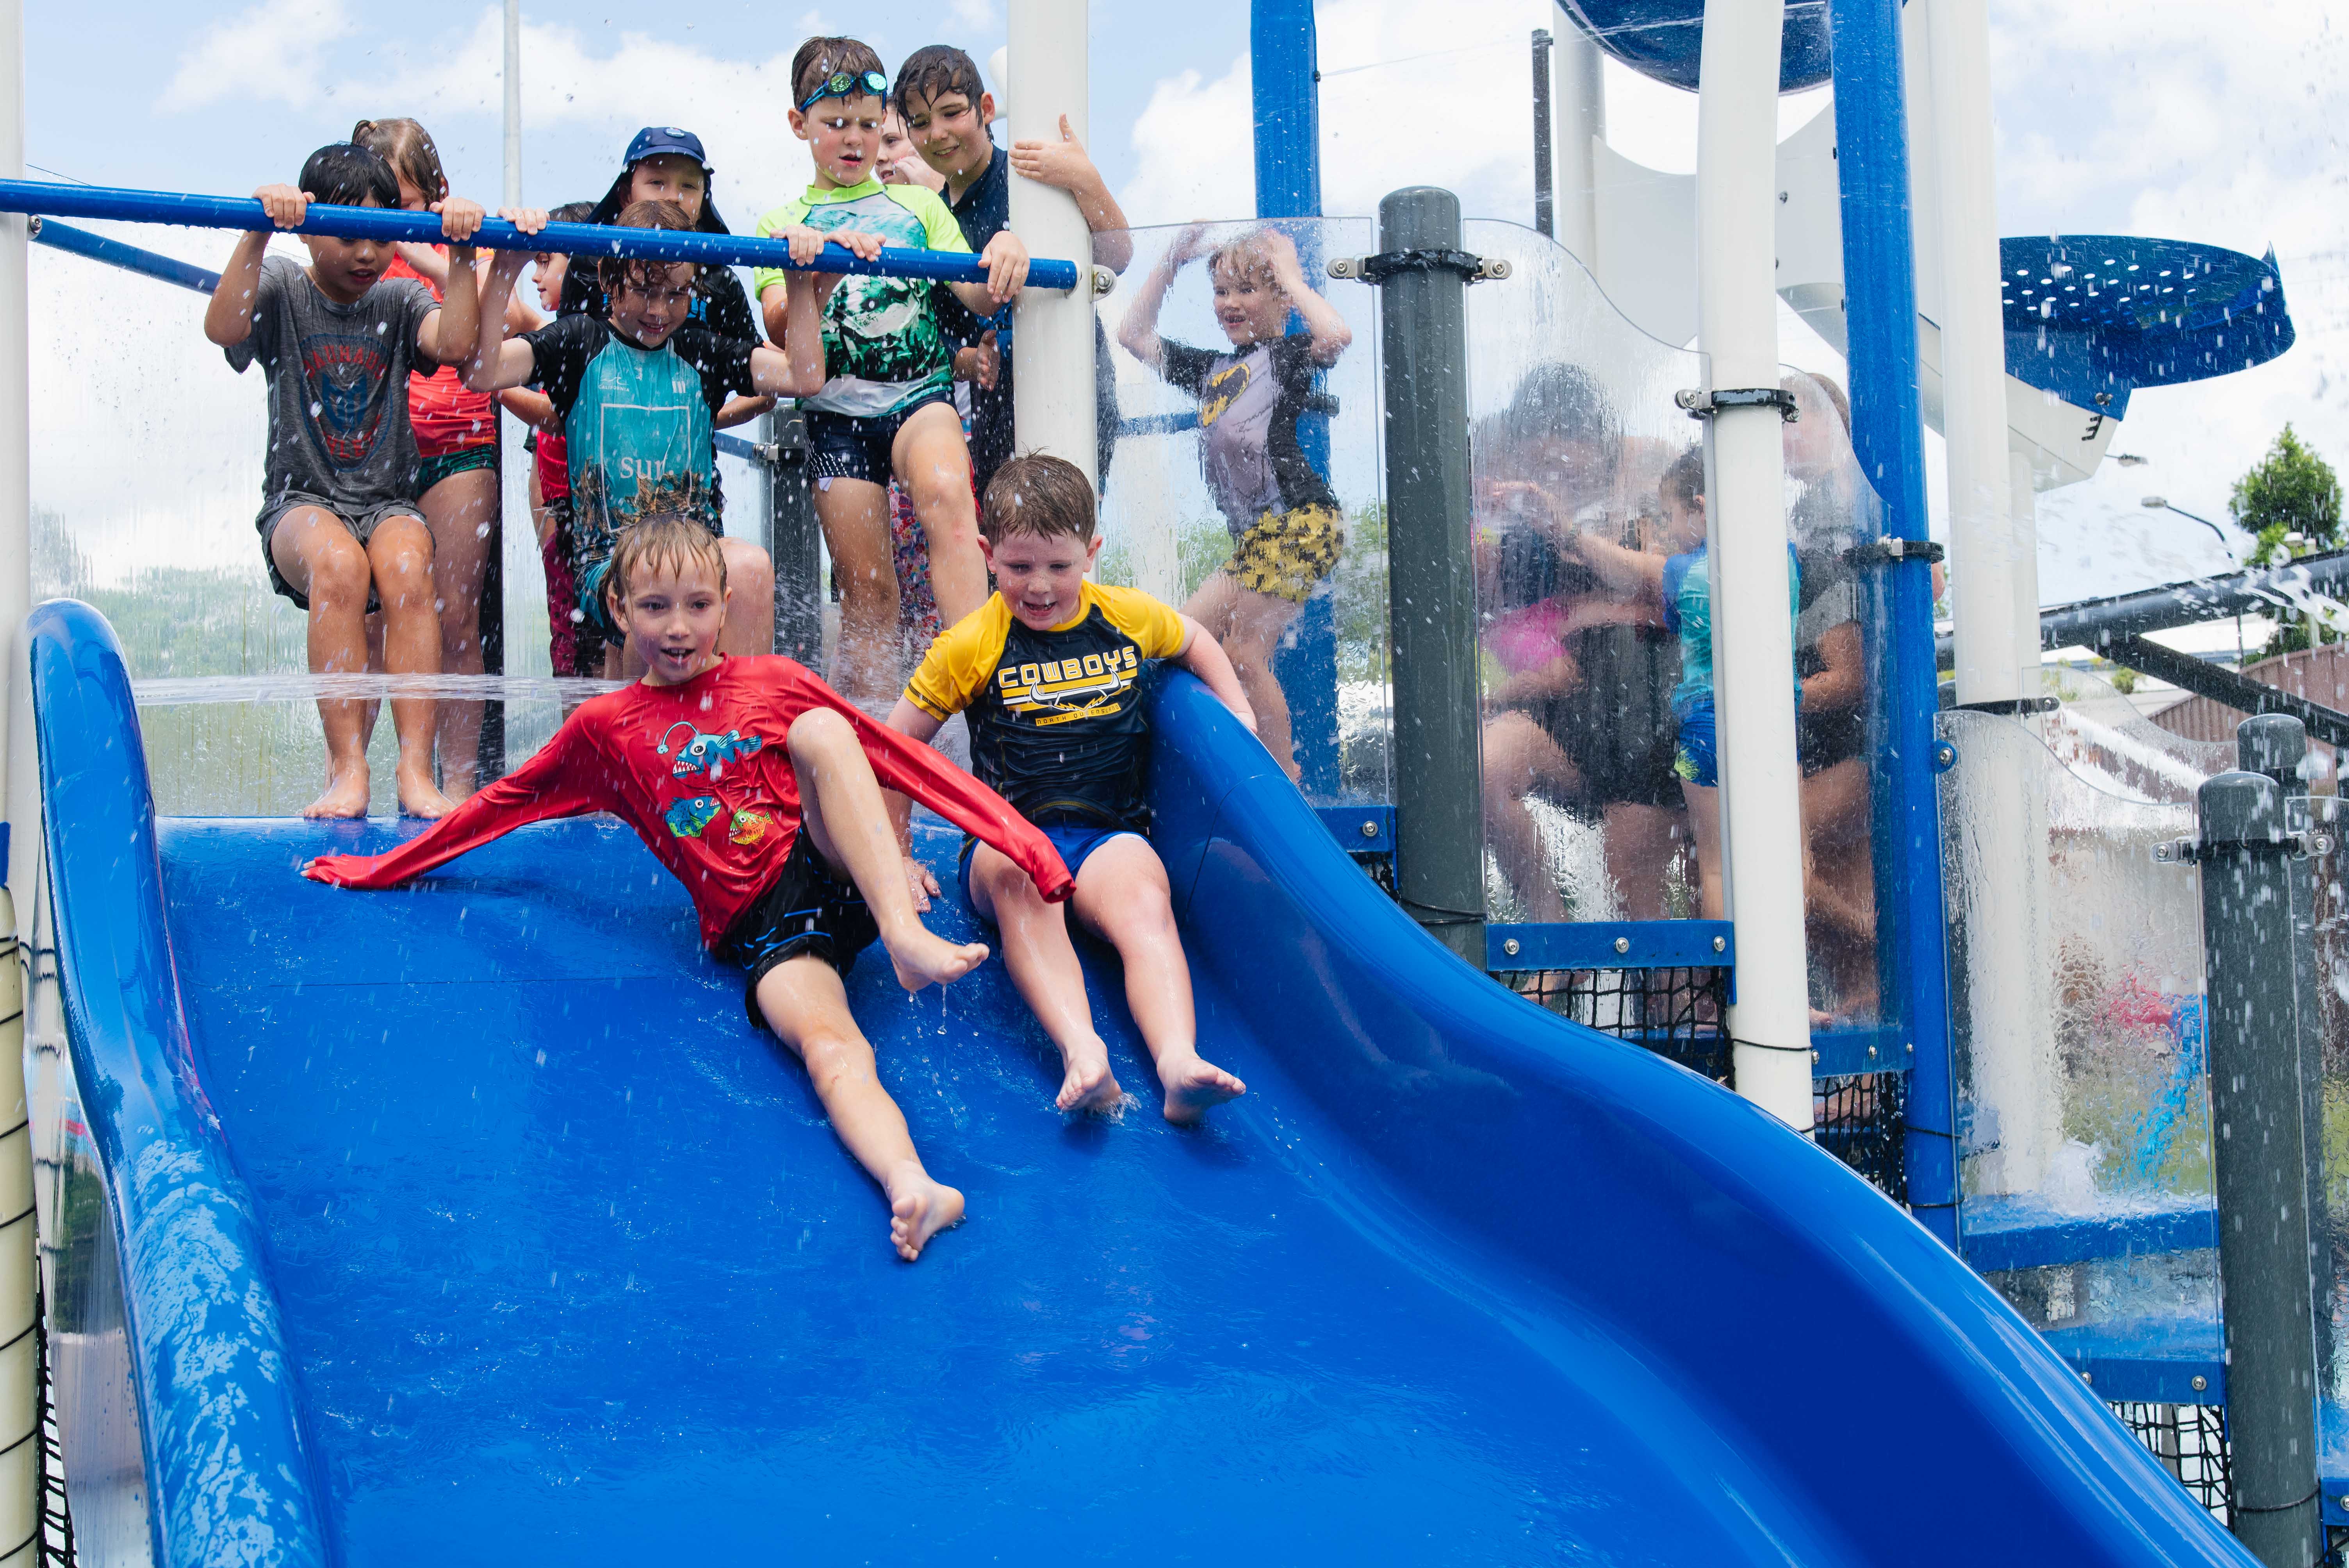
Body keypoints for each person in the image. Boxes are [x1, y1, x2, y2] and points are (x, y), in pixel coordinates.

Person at [302, 515, 1075, 1261]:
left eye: (698, 606)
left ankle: (902, 934)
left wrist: (1028, 848)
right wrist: (378, 868)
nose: (678, 627)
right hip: (763, 931)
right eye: (655, 607)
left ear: (724, 607)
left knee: (824, 731)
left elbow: (895, 760)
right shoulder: (604, 730)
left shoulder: (771, 681)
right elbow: (498, 808)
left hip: (825, 866)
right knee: (831, 1051)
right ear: (618, 608)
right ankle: (913, 1183)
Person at [886, 455, 1250, 1124]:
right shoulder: (970, 645)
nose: (1041, 586)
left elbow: (1196, 639)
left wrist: (1241, 713)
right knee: (1023, 881)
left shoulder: (1127, 617)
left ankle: (1176, 1063)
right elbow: (897, 748)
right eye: (1020, 567)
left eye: (1059, 565)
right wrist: (900, 854)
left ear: (1091, 552)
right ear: (988, 555)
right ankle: (1082, 1050)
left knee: (1145, 898)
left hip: (1108, 834)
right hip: (1009, 838)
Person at [204, 142, 488, 820]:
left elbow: (454, 346)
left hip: (385, 501)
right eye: (349, 234)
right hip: (300, 502)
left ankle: (416, 770)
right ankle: (346, 767)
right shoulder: (281, 284)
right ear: (308, 228)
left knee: (407, 568)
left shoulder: (395, 295)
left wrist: (463, 254)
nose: (367, 253)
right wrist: (257, 230)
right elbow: (222, 327)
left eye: (381, 235)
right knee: (339, 566)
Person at [752, 37, 1028, 706]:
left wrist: (1007, 244)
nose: (855, 140)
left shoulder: (922, 210)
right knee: (868, 589)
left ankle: (980, 690)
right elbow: (782, 330)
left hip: (920, 397)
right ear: (800, 127)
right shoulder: (783, 222)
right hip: (837, 420)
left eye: (870, 125)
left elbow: (980, 295)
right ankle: (879, 740)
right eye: (836, 125)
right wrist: (813, 266)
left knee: (948, 500)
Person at [460, 200, 820, 677]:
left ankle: (738, 728)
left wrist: (797, 279)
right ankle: (645, 740)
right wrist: (505, 267)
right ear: (609, 283)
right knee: (654, 579)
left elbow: (805, 376)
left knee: (750, 566)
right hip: (606, 562)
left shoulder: (697, 348)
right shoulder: (579, 342)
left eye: (676, 295)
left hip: (694, 547)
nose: (658, 310)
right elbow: (483, 372)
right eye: (644, 292)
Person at [1117, 225, 1353, 781]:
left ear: (1279, 299)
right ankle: (1204, 769)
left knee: (1245, 652)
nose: (1231, 304)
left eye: (1247, 290)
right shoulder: (1211, 371)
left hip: (1301, 521)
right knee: (1169, 643)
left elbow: (1336, 334)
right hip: (1257, 539)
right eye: (1222, 292)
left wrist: (1293, 276)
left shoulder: (1290, 355)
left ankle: (1282, 779)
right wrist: (1172, 260)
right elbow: (1132, 334)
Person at [351, 116, 533, 799]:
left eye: (398, 203)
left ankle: (456, 791)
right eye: (369, 203)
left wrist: (426, 241)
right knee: (372, 619)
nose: (381, 221)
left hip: (457, 441)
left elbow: (511, 317)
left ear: (435, 194)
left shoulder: (453, 244)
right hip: (374, 451)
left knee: (455, 617)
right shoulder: (352, 251)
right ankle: (360, 776)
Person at [1476, 365, 1683, 924]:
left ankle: (1695, 1005)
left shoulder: (1646, 492)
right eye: (1539, 461)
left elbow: (1676, 585)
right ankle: (1548, 918)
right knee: (1486, 765)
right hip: (1563, 719)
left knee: (1636, 897)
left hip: (1646, 722)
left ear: (1602, 448)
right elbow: (1502, 617)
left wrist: (1572, 539)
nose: (1554, 473)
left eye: (1567, 460)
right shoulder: (1513, 515)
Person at [1562, 447, 1799, 919]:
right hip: (1774, 722)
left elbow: (1670, 616)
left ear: (1703, 505)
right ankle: (1778, 974)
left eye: (1670, 515)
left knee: (1713, 866)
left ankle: (1731, 984)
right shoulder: (1785, 557)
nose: (1668, 529)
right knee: (1775, 859)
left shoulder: (1678, 570)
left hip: (1704, 729)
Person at [894, 44, 1132, 495]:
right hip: (996, 410)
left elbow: (1117, 257)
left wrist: (1086, 180)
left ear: (985, 108)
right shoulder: (929, 219)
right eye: (921, 123)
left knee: (1065, 530)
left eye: (951, 113)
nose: (939, 133)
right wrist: (970, 360)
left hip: (1076, 383)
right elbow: (934, 340)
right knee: (1009, 549)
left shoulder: (1029, 173)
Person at [1784, 370, 1877, 1015]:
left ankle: (1878, 938)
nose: (1780, 437)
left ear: (1833, 421)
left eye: (1793, 418)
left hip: (1858, 740)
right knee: (1834, 901)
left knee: (1777, 854)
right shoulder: (1811, 510)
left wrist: (1773, 695)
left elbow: (1850, 675)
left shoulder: (1850, 498)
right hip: (1827, 738)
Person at [518, 200, 601, 680]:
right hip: (562, 522)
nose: (535, 275)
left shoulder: (594, 341)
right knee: (569, 646)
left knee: (598, 642)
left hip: (593, 517)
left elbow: (558, 420)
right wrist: (546, 531)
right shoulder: (548, 341)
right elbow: (537, 459)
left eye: (546, 260)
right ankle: (577, 749)